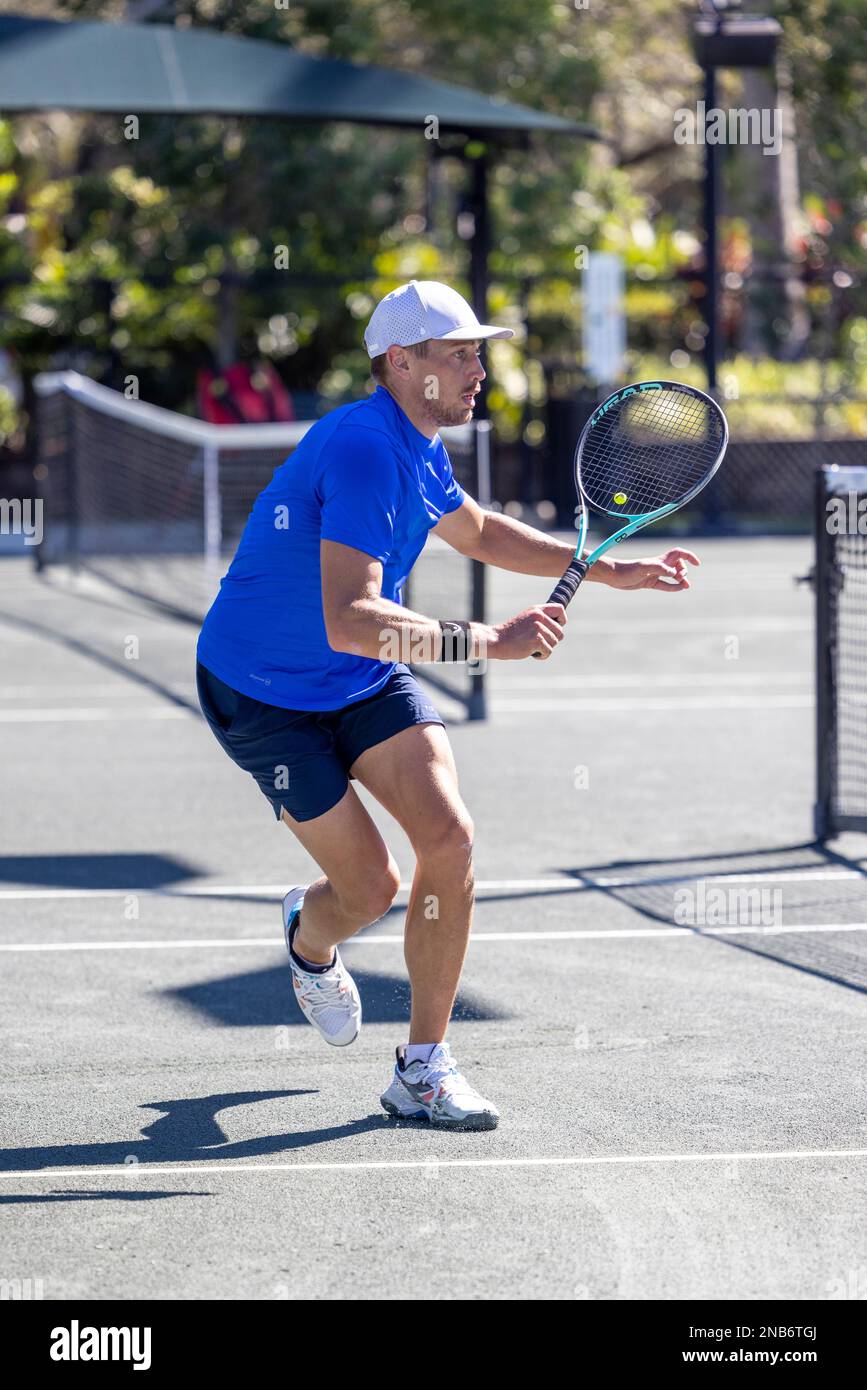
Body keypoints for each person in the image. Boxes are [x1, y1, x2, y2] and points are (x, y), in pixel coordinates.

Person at [196, 279, 698, 1132]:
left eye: (478, 350)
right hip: (263, 692)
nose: (479, 368)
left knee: (450, 839)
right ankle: (309, 942)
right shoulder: (361, 449)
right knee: (367, 891)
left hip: (360, 680)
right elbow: (351, 619)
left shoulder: (420, 442)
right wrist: (486, 642)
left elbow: (478, 531)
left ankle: (421, 1069)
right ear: (401, 363)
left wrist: (609, 570)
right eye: (458, 352)